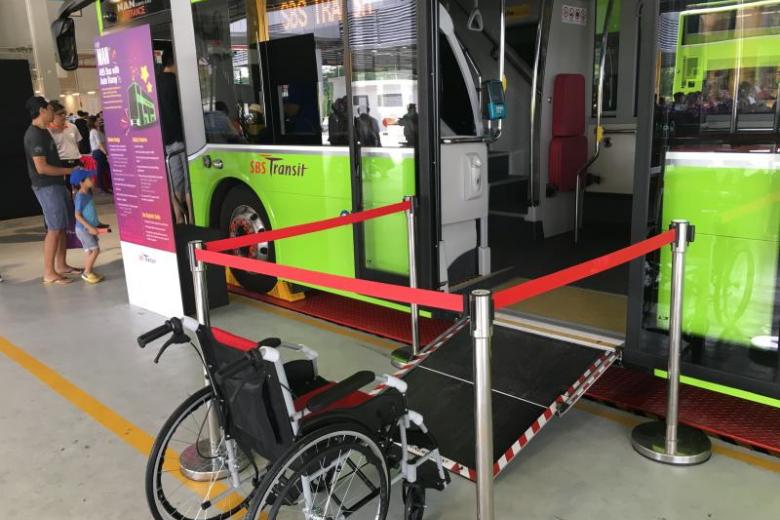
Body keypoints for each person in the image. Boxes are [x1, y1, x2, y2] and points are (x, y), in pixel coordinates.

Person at [23, 96, 81, 285]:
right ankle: (49, 272)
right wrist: (69, 171)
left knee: (62, 227)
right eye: (49, 109)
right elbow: (41, 168)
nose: (53, 112)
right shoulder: (34, 135)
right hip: (47, 186)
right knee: (54, 229)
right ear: (42, 110)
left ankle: (61, 265)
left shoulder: (44, 131)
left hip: (56, 183)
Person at [157, 47, 191, 223]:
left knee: (175, 180)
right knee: (189, 181)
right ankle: (192, 218)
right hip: (181, 138)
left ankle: (178, 218)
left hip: (166, 141)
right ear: (174, 61)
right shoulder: (176, 83)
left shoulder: (155, 83)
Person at [70, 169, 104, 284]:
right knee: (95, 250)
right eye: (89, 178)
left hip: (86, 228)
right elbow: (77, 215)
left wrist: (97, 224)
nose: (92, 180)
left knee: (89, 251)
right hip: (84, 229)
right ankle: (87, 273)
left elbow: (89, 212)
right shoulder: (80, 197)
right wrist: (90, 228)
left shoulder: (87, 194)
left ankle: (89, 271)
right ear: (81, 182)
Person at [49, 101, 83, 170]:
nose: (63, 116)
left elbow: (77, 142)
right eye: (60, 114)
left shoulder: (72, 126)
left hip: (76, 160)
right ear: (52, 115)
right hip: (61, 162)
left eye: (64, 113)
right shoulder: (48, 130)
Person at [89, 115, 112, 193]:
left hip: (96, 152)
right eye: (97, 121)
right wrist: (106, 153)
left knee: (101, 170)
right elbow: (99, 144)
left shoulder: (92, 131)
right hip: (99, 152)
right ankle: (104, 187)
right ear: (93, 122)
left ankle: (102, 187)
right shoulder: (94, 131)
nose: (98, 122)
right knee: (105, 170)